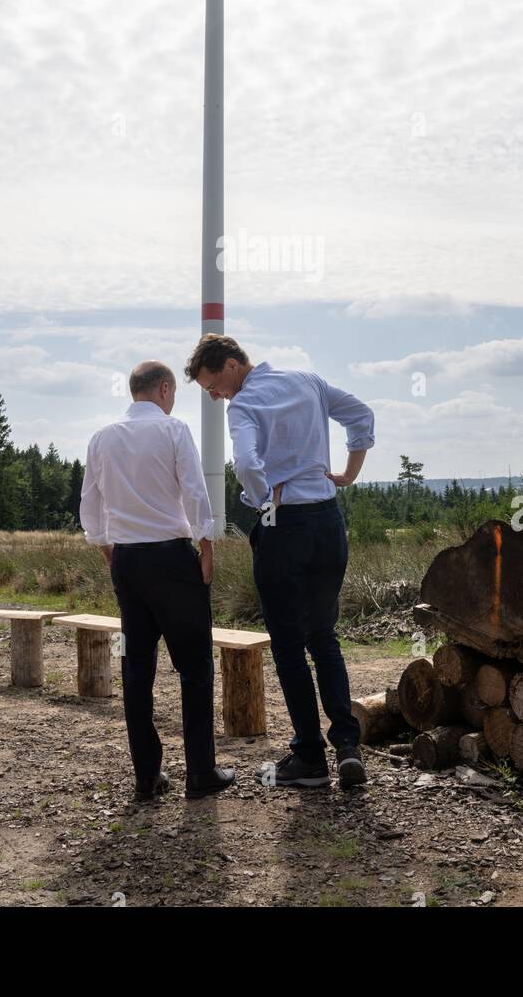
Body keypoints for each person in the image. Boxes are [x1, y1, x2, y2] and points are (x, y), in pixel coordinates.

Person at [185, 334, 374, 789]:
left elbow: (247, 463)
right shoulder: (306, 380)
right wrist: (349, 473)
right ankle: (347, 746)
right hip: (329, 521)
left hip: (284, 522)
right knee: (324, 638)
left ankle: (309, 756)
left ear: (232, 365)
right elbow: (361, 415)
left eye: (213, 386)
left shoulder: (244, 405)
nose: (215, 396)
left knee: (289, 647)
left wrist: (262, 500)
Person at [79, 360, 235, 802]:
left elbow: (90, 503)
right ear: (164, 389)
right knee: (195, 667)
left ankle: (146, 776)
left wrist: (109, 549)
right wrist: (205, 545)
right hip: (171, 559)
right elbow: (194, 488)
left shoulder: (101, 437)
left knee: (137, 668)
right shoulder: (173, 430)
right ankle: (200, 773)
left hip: (128, 562)